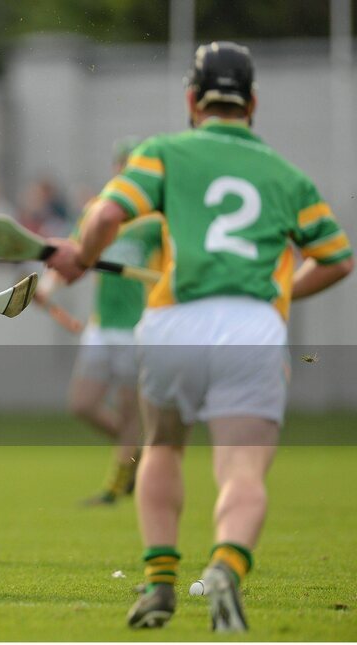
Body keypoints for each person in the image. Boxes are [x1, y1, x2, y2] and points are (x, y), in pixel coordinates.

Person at [45, 42, 353, 632]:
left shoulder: (162, 153)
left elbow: (107, 218)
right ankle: (226, 565)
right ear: (253, 103)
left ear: (192, 100)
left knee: (163, 448)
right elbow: (338, 259)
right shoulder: (286, 174)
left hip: (174, 324)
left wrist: (82, 256)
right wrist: (282, 294)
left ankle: (160, 582)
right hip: (254, 328)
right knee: (242, 471)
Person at [39, 137, 163, 506]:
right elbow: (72, 257)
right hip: (101, 326)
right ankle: (139, 455)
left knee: (129, 412)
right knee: (83, 404)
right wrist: (47, 287)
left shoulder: (156, 220)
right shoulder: (98, 212)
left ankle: (117, 484)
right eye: (121, 167)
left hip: (138, 328)